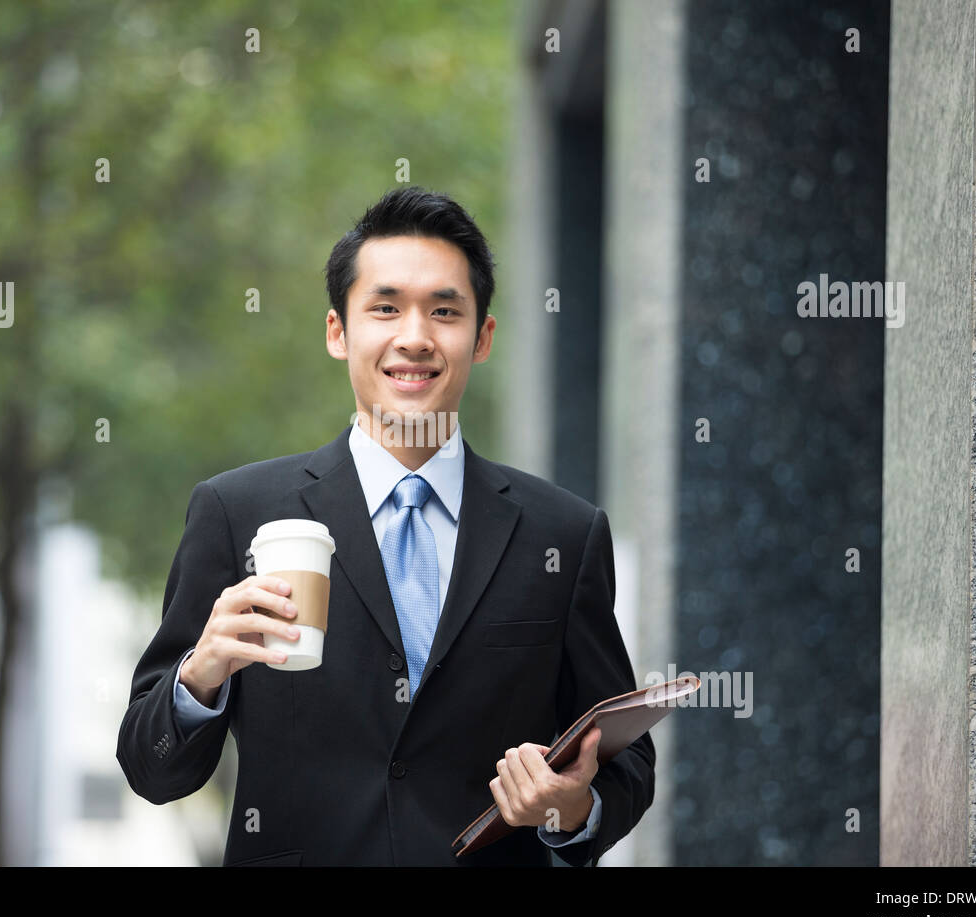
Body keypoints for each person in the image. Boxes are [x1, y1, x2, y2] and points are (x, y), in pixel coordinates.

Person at [116, 185, 655, 866]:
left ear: (482, 337)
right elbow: (151, 768)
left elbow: (627, 762)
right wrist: (201, 674)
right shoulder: (238, 513)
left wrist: (571, 806)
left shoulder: (563, 536)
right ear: (338, 332)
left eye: (444, 311)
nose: (415, 337)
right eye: (385, 308)